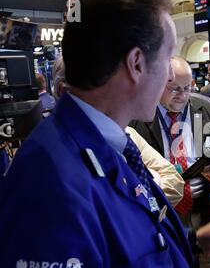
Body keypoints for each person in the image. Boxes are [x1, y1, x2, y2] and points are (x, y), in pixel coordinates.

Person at [0, 0, 210, 268]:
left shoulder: (110, 144)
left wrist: (191, 244)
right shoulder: (52, 189)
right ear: (137, 63)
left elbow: (124, 250)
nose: (171, 75)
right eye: (167, 57)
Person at [130, 56, 210, 268]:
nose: (182, 95)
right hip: (165, 212)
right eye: (174, 88)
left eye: (188, 88)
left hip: (207, 209)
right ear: (157, 83)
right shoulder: (137, 117)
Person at [51, 57, 185, 206]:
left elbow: (175, 183)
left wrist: (141, 183)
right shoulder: (57, 152)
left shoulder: (127, 135)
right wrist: (148, 181)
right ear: (64, 92)